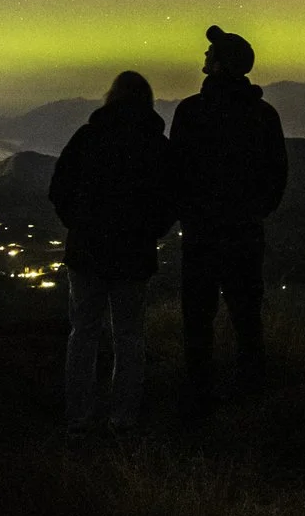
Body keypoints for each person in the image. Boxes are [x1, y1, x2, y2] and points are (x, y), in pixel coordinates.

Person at [169, 24, 287, 419]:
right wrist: (254, 212)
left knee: (198, 318)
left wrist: (188, 212)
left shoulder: (190, 112)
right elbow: (276, 175)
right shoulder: (264, 115)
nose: (204, 57)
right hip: (244, 233)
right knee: (246, 315)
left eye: (210, 53)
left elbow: (176, 172)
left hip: (201, 234)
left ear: (219, 66)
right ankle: (253, 397)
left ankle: (199, 398)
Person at [49, 70, 174, 432]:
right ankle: (124, 418)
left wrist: (79, 224)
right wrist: (149, 231)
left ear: (111, 98)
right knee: (129, 335)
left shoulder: (88, 138)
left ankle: (78, 417)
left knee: (83, 333)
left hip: (86, 252)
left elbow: (60, 188)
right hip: (134, 256)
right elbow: (170, 200)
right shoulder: (156, 145)